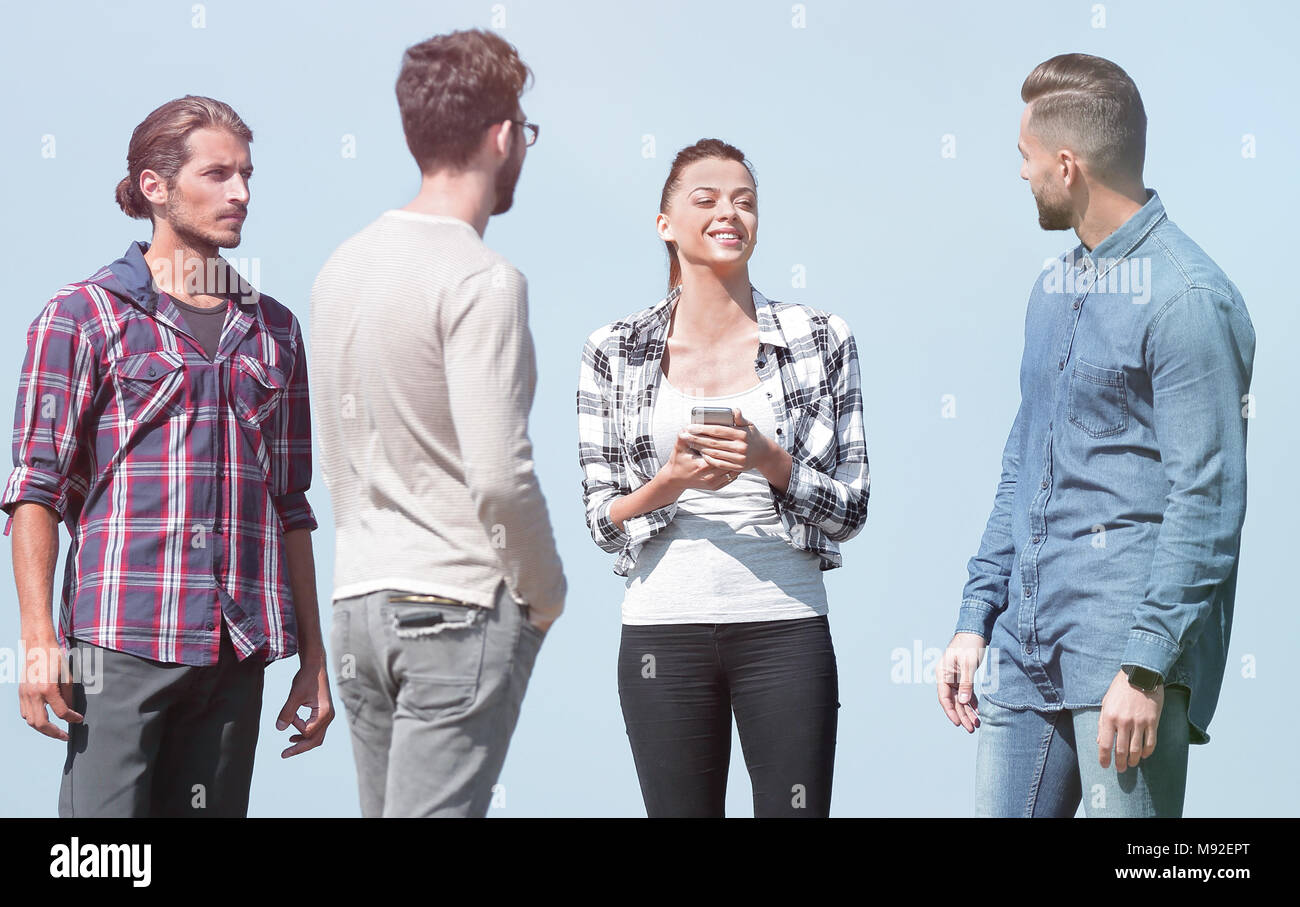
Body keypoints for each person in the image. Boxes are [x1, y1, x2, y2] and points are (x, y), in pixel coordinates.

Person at [936, 53, 1255, 817]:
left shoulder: (1187, 297)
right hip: (1024, 653)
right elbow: (1022, 467)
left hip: (1124, 657)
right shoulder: (1052, 290)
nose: (1021, 172)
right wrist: (975, 619)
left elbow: (1208, 499)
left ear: (1067, 165)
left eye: (1026, 156)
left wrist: (1146, 665)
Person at [3, 95, 332, 817]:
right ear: (154, 186)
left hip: (237, 646)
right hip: (121, 637)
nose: (240, 193)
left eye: (246, 175)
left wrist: (313, 654)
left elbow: (291, 504)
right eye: (217, 174)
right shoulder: (82, 315)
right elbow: (36, 488)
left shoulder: (275, 329)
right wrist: (36, 639)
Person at [310, 29, 565, 818]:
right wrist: (545, 592)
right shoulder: (485, 279)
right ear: (503, 136)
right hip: (453, 601)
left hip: (357, 604)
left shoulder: (340, 268)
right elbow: (498, 475)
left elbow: (337, 458)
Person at [576, 138, 869, 817]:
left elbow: (852, 510)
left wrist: (770, 462)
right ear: (665, 224)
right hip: (661, 630)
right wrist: (670, 482)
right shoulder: (612, 349)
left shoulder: (821, 337)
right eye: (705, 199)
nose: (728, 213)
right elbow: (601, 521)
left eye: (745, 201)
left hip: (785, 624)